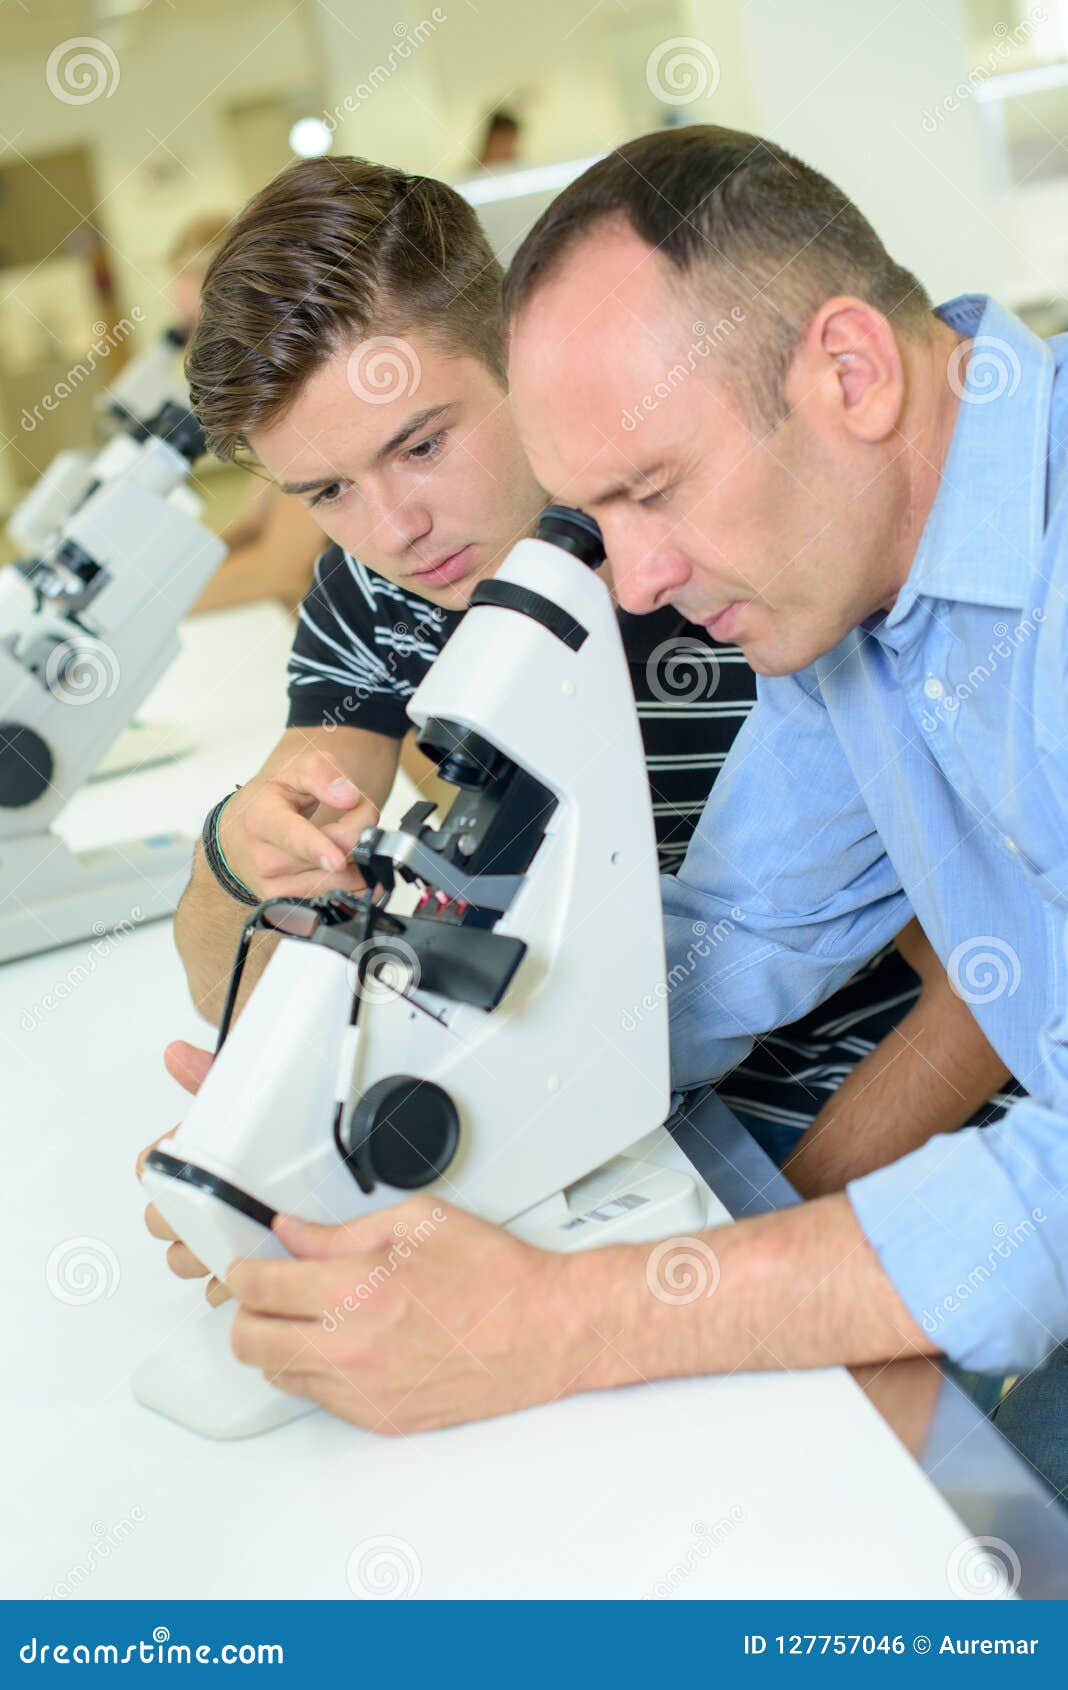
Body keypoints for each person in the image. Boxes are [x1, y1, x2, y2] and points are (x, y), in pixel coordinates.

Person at [144, 152, 1021, 1450]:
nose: (391, 525)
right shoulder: (419, 580)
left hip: (897, 1154)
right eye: (327, 491)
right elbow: (727, 936)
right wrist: (301, 1127)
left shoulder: (773, 545)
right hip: (689, 1124)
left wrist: (695, 1274)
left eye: (422, 443)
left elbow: (1006, 1035)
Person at [165, 213, 324, 615]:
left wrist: (150, 609)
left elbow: (279, 570)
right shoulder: (272, 410)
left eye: (195, 328)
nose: (187, 353)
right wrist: (165, 574)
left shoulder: (311, 408)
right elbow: (251, 525)